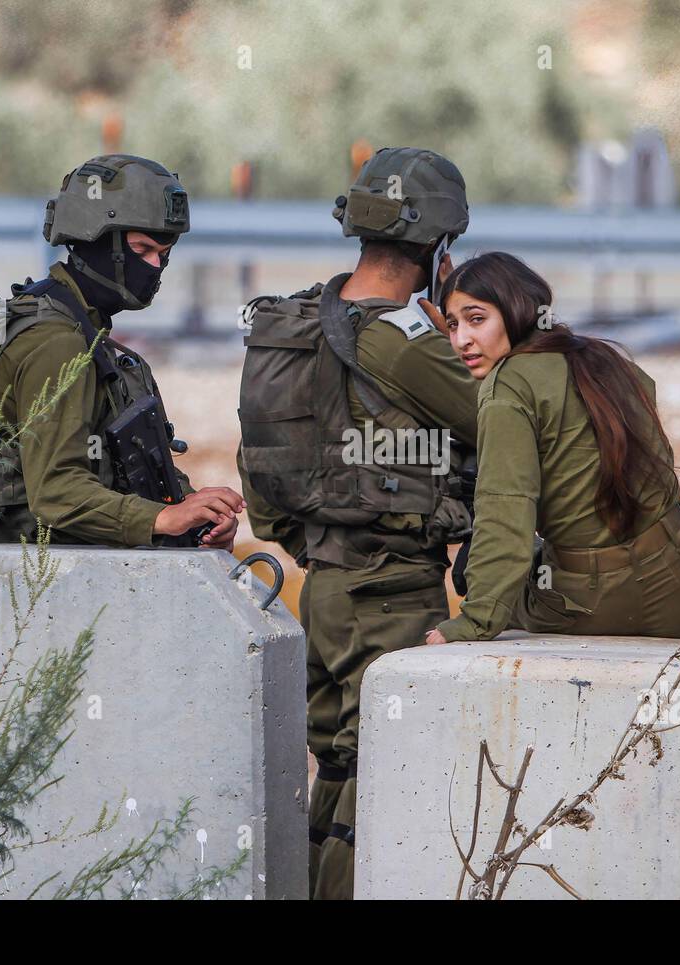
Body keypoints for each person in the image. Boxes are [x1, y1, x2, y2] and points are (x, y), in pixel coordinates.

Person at [237, 147, 478, 899]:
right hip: (392, 591)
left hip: (322, 583)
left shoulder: (301, 319)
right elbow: (504, 423)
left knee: (339, 767)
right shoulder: (400, 342)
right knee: (382, 775)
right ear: (436, 246)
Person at [420, 252, 680, 645]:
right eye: (452, 325)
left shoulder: (508, 388)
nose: (460, 340)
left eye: (476, 319)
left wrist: (474, 621)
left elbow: (506, 512)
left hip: (594, 600)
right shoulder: (603, 359)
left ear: (516, 311)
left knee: (478, 563)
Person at [0, 154, 244, 548]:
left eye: (165, 253)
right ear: (95, 238)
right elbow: (56, 492)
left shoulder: (92, 339)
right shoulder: (56, 343)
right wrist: (163, 517)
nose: (156, 266)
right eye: (143, 249)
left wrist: (193, 510)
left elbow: (116, 466)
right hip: (44, 581)